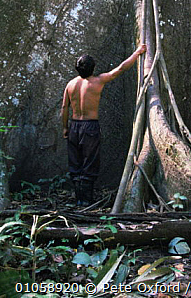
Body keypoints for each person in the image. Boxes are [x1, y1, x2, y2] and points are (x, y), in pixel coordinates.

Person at [61, 44, 147, 206]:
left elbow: (64, 107)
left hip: (74, 126)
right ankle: (86, 200)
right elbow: (120, 69)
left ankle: (79, 198)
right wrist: (137, 53)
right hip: (90, 126)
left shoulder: (70, 85)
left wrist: (65, 127)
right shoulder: (98, 81)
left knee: (75, 162)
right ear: (93, 68)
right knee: (90, 161)